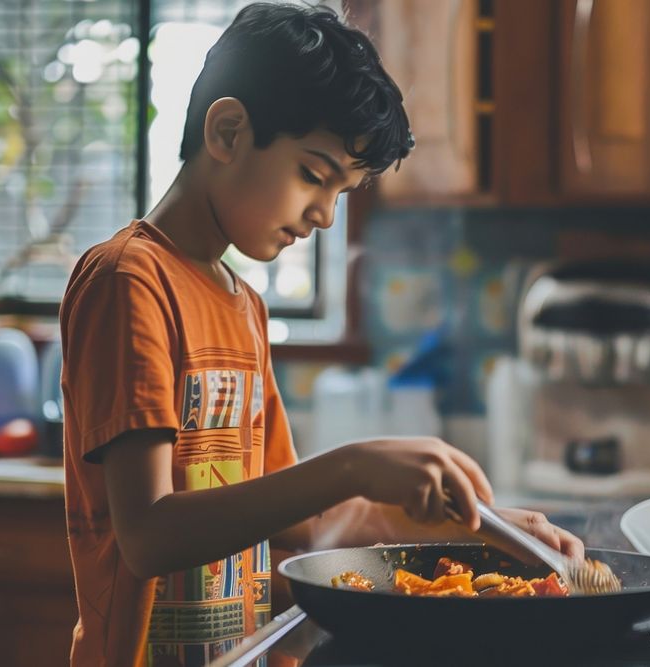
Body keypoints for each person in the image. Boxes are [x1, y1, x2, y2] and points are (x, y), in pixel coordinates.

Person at [60, 4, 583, 666]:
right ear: (227, 131)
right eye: (314, 174)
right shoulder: (128, 279)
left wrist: (472, 529)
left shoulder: (242, 305)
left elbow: (296, 522)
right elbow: (149, 536)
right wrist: (352, 464)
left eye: (345, 190)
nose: (326, 215)